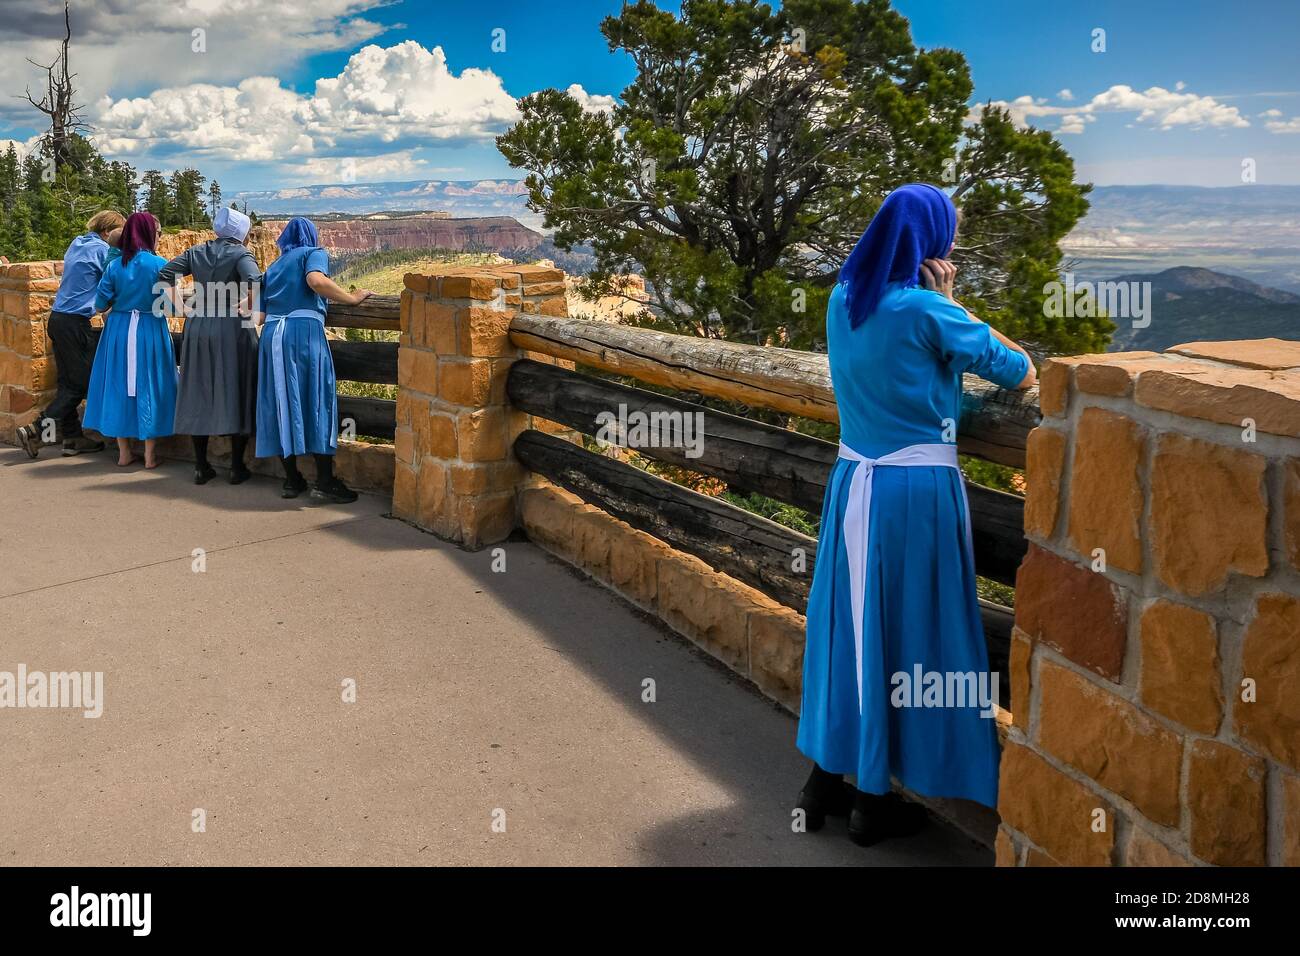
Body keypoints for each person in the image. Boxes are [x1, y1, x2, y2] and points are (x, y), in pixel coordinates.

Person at [794, 184, 1036, 847]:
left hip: (853, 484)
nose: (951, 245)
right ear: (929, 243)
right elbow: (1020, 369)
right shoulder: (930, 311)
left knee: (853, 628)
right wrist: (953, 302)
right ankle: (873, 800)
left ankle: (825, 778)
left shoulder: (845, 300)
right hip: (917, 495)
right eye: (947, 233)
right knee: (910, 632)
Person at [254, 217, 374, 503]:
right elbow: (315, 280)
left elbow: (257, 316)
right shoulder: (313, 252)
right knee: (316, 398)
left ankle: (291, 481)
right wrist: (353, 298)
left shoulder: (271, 268)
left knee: (280, 400)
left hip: (272, 337)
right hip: (303, 334)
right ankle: (324, 480)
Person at [160, 207, 261, 485]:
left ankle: (201, 466)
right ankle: (236, 467)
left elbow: (165, 273)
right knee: (237, 387)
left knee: (198, 390)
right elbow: (255, 280)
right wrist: (247, 305)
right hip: (232, 328)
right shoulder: (241, 254)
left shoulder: (197, 251)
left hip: (198, 325)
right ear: (242, 233)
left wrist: (181, 307)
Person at [16, 210, 126, 458]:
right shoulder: (101, 250)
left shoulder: (77, 243)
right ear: (107, 232)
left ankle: (72, 439)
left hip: (57, 319)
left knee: (66, 382)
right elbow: (113, 279)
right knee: (80, 383)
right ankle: (36, 429)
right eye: (120, 233)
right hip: (75, 322)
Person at [82, 212, 176, 469]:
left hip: (119, 330)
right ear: (148, 234)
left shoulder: (114, 266)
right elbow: (169, 306)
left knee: (118, 384)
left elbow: (100, 305)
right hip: (150, 328)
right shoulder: (159, 264)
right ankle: (149, 455)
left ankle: (124, 453)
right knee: (152, 384)